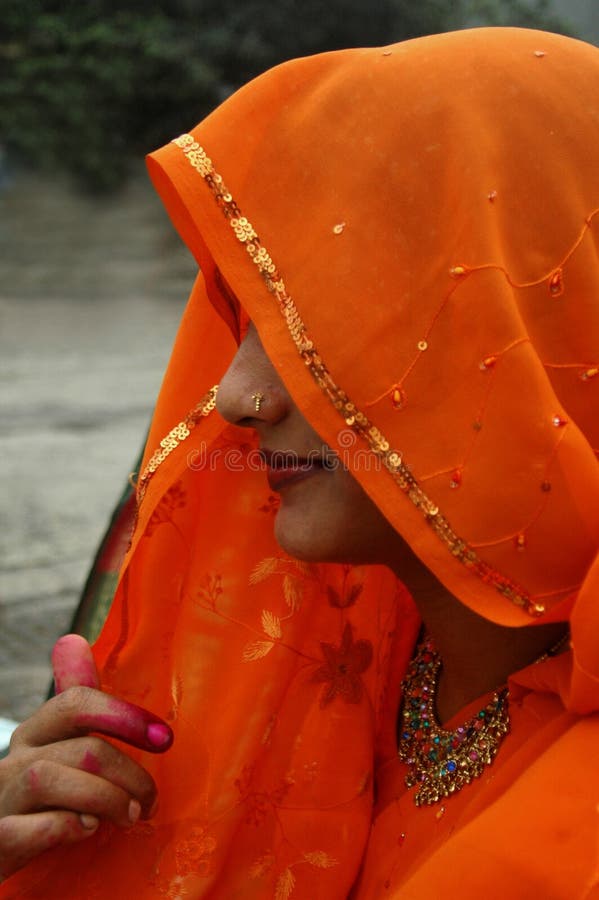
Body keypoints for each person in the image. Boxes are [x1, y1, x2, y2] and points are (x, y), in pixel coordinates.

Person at [0, 25, 598, 898]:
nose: (235, 398)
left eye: (320, 326)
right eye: (248, 324)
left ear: (531, 333)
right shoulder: (336, 658)